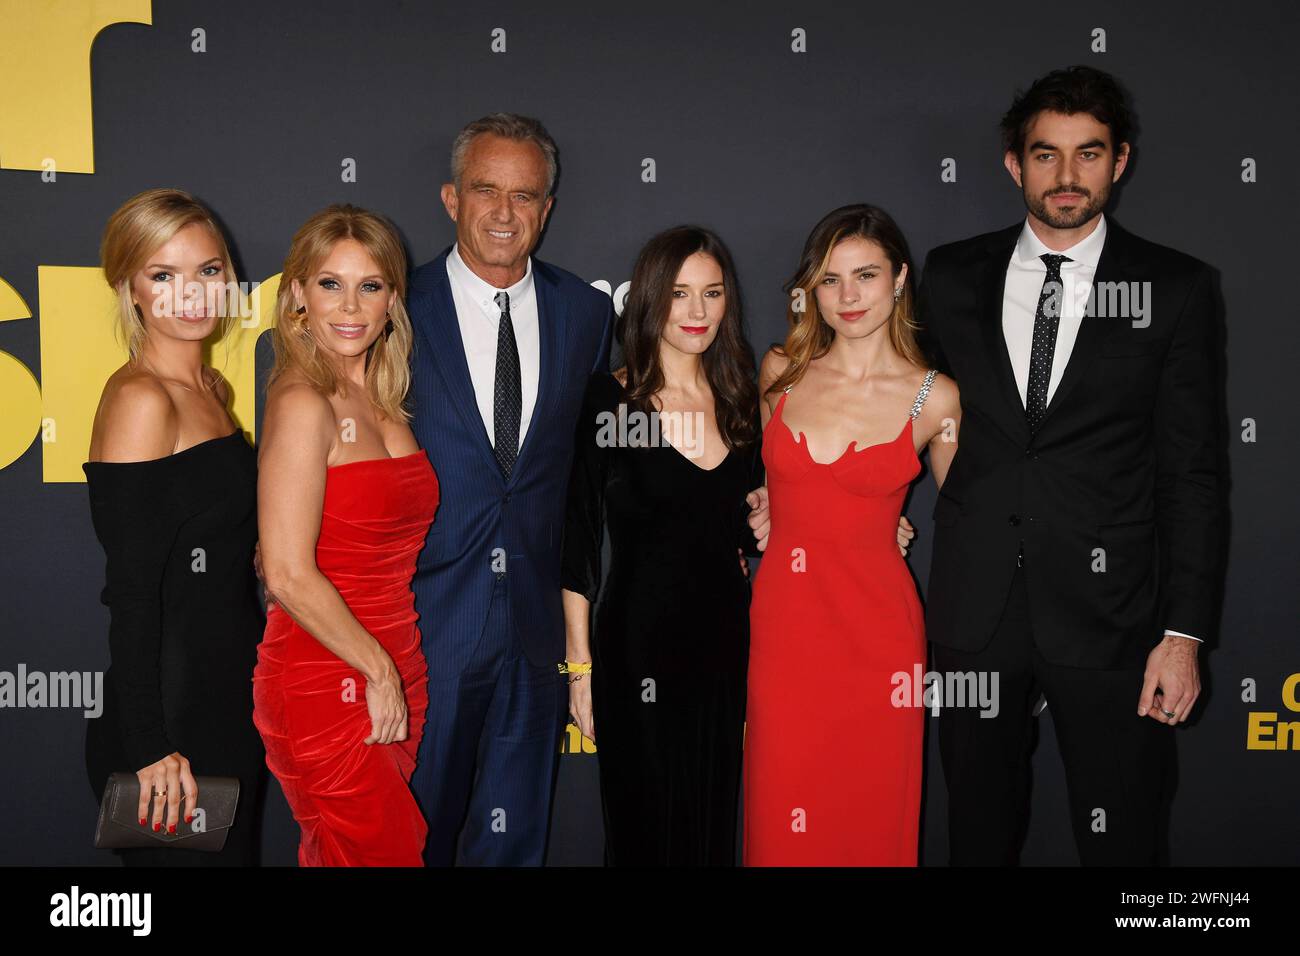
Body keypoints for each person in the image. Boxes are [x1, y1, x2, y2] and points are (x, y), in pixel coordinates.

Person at [404, 113, 772, 866]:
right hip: (431, 625)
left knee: (515, 842)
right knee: (414, 836)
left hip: (539, 634)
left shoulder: (581, 312)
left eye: (526, 194)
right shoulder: (395, 309)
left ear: (548, 207)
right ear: (450, 198)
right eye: (486, 190)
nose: (506, 212)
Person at [914, 65, 1225, 865]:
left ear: (1119, 162)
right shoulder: (950, 277)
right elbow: (885, 400)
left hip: (1115, 616)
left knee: (1126, 839)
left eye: (1089, 154)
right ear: (1014, 165)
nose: (1066, 176)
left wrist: (1182, 635)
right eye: (1045, 155)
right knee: (977, 837)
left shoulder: (1176, 287)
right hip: (974, 609)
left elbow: (1192, 473)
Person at [745, 204, 960, 866]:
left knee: (869, 816)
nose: (847, 297)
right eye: (830, 280)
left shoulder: (936, 398)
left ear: (899, 279)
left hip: (879, 639)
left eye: (864, 276)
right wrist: (768, 506)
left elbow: (971, 523)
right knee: (782, 812)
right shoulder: (779, 372)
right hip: (786, 627)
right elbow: (776, 489)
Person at [561, 226, 763, 865]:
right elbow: (578, 541)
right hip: (636, 649)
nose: (698, 312)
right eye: (679, 294)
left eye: (712, 293)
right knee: (643, 833)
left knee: (709, 826)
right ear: (650, 300)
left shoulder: (741, 402)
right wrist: (580, 670)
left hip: (725, 649)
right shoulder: (610, 399)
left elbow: (751, 523)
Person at [83, 187, 267, 865]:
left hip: (228, 699)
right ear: (129, 288)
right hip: (170, 720)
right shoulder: (141, 398)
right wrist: (150, 748)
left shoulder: (210, 391)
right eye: (163, 275)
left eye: (207, 271)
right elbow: (132, 593)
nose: (190, 294)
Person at [253, 204, 437, 866]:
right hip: (327, 678)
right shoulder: (304, 402)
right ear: (298, 293)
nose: (351, 305)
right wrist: (374, 667)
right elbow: (285, 571)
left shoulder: (384, 401)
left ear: (393, 298)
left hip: (394, 670)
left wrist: (391, 669)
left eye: (371, 285)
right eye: (330, 283)